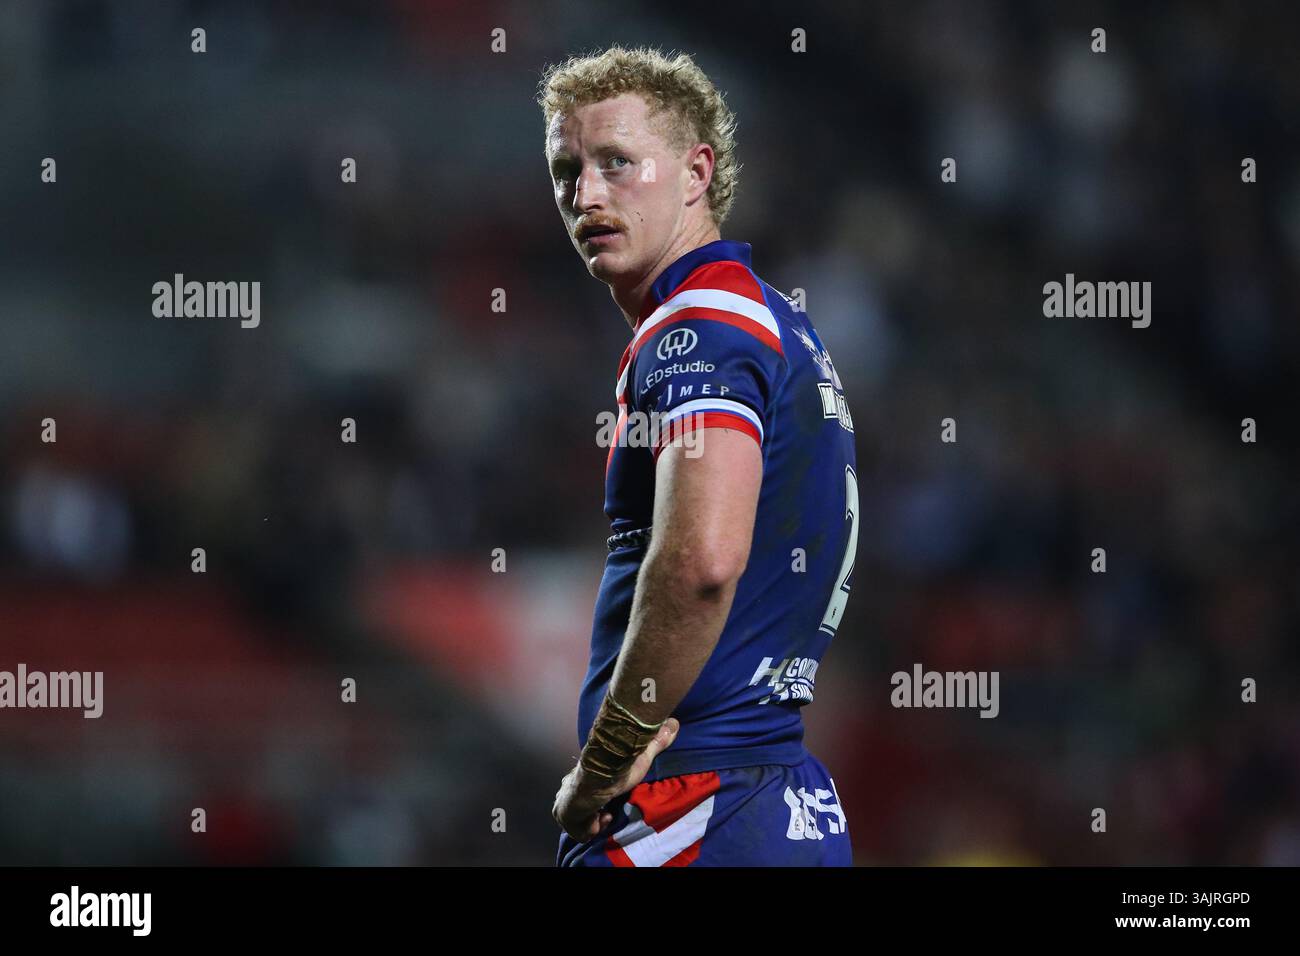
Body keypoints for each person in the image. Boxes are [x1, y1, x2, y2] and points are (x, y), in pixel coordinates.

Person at [539, 45, 858, 866]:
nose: (587, 194)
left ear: (696, 172)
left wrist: (604, 763)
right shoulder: (778, 322)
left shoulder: (699, 327)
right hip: (780, 794)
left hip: (692, 806)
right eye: (567, 169)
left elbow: (702, 562)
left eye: (617, 163)